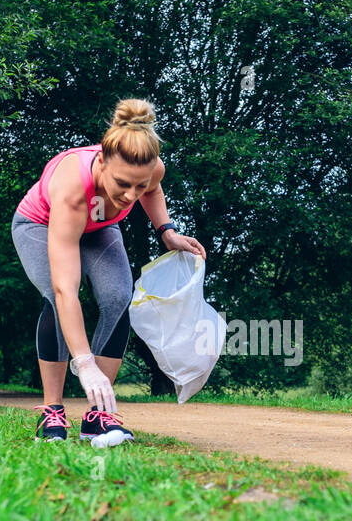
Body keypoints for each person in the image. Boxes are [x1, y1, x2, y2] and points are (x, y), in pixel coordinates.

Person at [11, 97, 206, 442]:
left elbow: (153, 190)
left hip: (99, 226)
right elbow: (66, 289)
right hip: (40, 224)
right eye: (122, 184)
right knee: (58, 302)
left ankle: (99, 414)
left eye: (139, 184)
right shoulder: (72, 188)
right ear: (101, 161)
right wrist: (84, 364)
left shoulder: (152, 170)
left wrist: (168, 232)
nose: (131, 195)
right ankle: (52, 413)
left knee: (118, 296)